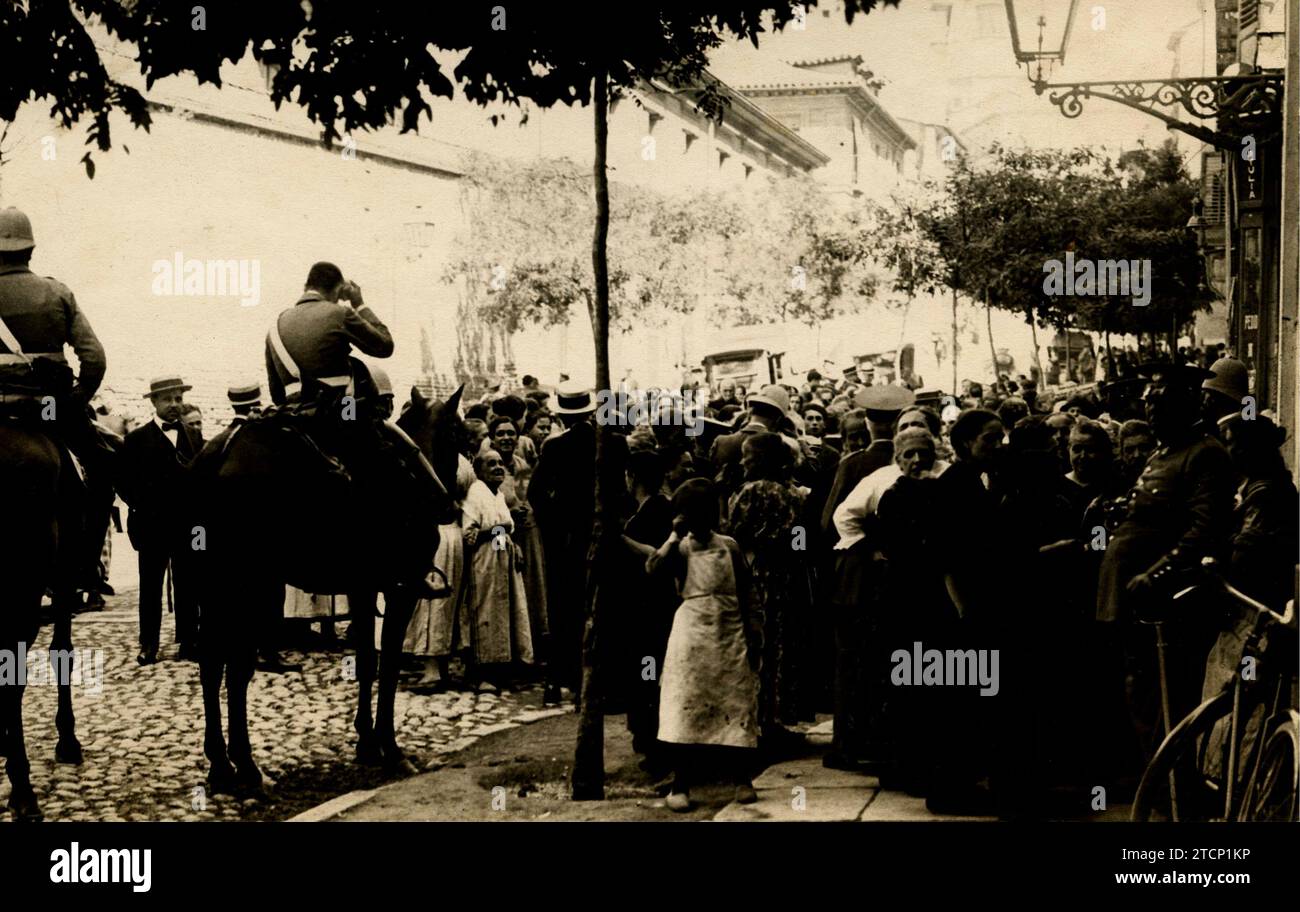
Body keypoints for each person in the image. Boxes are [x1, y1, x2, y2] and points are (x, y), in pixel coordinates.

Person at [1095, 361, 1236, 784]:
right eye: (1148, 402)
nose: (1152, 409)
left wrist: (1157, 575)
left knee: (1167, 701)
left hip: (1165, 605)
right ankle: (1158, 788)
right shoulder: (1164, 451)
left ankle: (1176, 794)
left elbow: (1204, 530)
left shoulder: (1205, 453)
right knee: (1141, 695)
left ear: (1187, 403)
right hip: (1133, 599)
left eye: (1162, 401)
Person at [0, 206, 111, 603]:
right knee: (100, 472)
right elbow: (94, 359)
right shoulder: (56, 292)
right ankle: (83, 569)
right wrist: (74, 401)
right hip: (47, 412)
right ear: (30, 250)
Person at [648, 478, 761, 812]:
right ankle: (681, 783)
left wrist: (754, 627)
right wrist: (673, 536)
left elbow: (747, 589)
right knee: (689, 703)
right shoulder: (680, 549)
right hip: (692, 635)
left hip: (728, 631)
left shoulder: (730, 545)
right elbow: (653, 569)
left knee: (735, 699)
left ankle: (742, 778)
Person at [726, 431, 817, 746]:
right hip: (790, 578)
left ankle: (757, 721)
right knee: (783, 647)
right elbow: (802, 540)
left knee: (757, 648)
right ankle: (776, 719)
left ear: (759, 460)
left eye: (746, 456)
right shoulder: (795, 495)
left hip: (757, 576)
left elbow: (734, 537)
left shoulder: (747, 493)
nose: (742, 461)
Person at [117, 377, 203, 665]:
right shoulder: (136, 439)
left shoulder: (193, 436)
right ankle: (149, 644)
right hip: (152, 525)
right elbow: (123, 483)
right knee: (150, 586)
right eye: (168, 400)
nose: (174, 405)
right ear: (154, 402)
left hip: (186, 525)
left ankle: (189, 641)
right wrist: (144, 506)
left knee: (189, 582)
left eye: (178, 399)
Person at [528, 380, 598, 703]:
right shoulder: (606, 442)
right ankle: (598, 675)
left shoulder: (554, 448)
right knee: (598, 603)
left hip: (566, 539)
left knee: (562, 607)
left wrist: (553, 527)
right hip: (598, 532)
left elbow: (535, 495)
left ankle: (559, 679)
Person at [265, 262, 392, 406]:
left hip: (296, 422)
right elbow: (385, 346)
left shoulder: (275, 327)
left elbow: (276, 394)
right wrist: (359, 303)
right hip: (343, 416)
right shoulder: (339, 314)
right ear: (339, 289)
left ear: (306, 287)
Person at [462, 448, 533, 690]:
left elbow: (505, 529)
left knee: (506, 612)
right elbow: (470, 534)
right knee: (485, 612)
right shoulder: (476, 493)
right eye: (491, 464)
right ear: (479, 470)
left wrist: (513, 545)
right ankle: (482, 673)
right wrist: (497, 530)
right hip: (484, 559)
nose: (497, 468)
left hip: (503, 556)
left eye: (500, 463)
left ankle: (504, 669)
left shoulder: (498, 494)